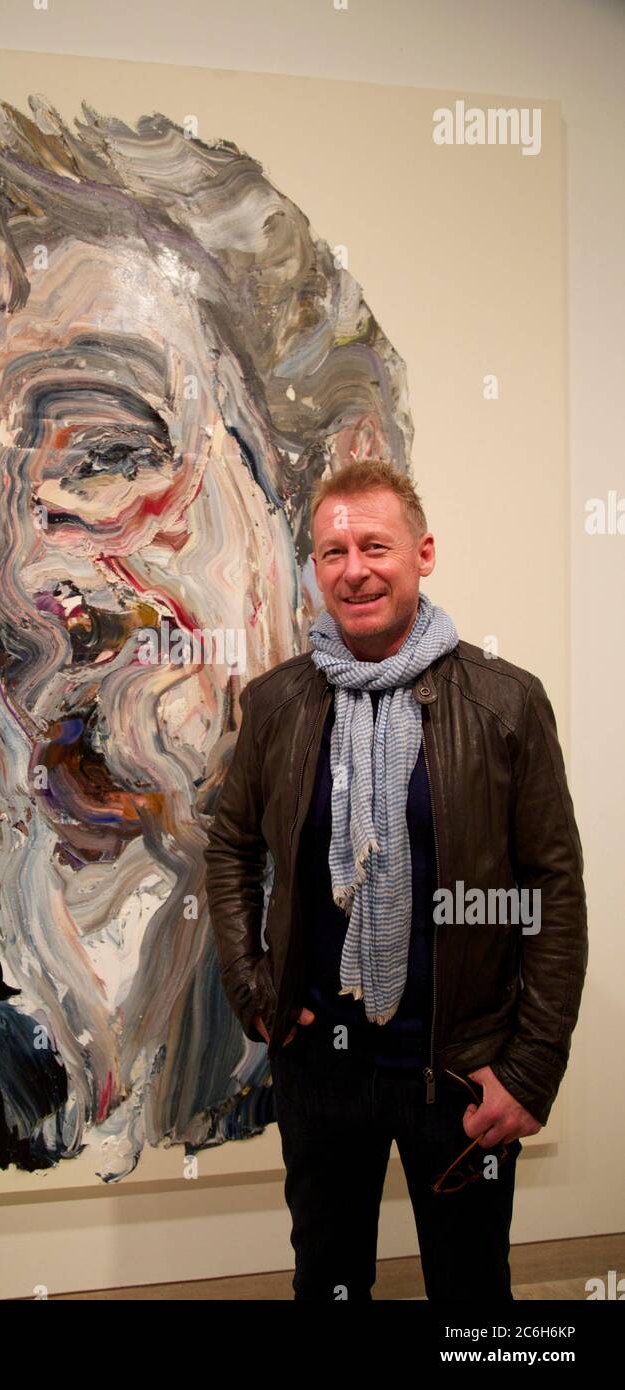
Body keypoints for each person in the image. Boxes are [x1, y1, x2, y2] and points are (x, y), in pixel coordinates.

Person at [204, 457, 588, 1300]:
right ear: (315, 568)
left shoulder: (505, 704)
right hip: (320, 1071)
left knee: (473, 1295)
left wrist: (530, 1070)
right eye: (333, 552)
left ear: (423, 553)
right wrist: (253, 985)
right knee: (328, 1282)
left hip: (457, 1072)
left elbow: (554, 890)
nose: (354, 569)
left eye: (375, 545)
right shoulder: (276, 704)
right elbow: (231, 849)